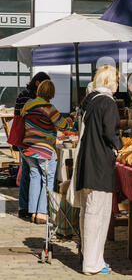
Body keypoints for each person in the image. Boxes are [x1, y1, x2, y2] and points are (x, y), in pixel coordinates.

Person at [75, 65, 123, 275]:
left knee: (87, 212)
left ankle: (89, 257)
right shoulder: (107, 102)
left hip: (87, 162)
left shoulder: (91, 100)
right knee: (98, 214)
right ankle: (93, 263)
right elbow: (111, 133)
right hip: (100, 164)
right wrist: (121, 148)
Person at [21, 80, 72, 224]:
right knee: (48, 179)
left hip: (28, 148)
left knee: (35, 176)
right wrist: (68, 120)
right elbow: (62, 124)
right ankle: (42, 213)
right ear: (51, 93)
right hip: (44, 149)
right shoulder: (49, 108)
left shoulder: (28, 105)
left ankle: (33, 212)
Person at [15, 72, 51, 219]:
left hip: (25, 140)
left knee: (30, 173)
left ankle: (27, 208)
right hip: (29, 140)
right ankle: (32, 208)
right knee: (32, 174)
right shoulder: (30, 98)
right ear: (38, 83)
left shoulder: (26, 95)